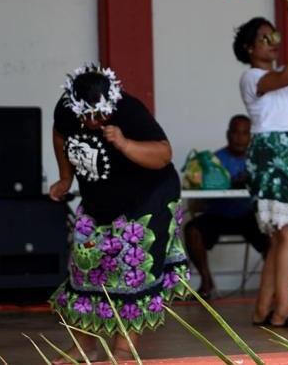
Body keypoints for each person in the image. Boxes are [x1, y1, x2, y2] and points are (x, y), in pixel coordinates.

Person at [47, 63, 189, 362]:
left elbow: (164, 154)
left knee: (130, 270)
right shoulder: (67, 111)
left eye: (102, 115)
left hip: (146, 200)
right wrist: (65, 177)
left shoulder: (129, 110)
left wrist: (124, 143)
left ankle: (124, 348)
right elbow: (60, 135)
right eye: (90, 116)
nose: (97, 122)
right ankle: (84, 345)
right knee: (83, 268)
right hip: (99, 202)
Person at [233, 3, 288, 329]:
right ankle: (282, 309)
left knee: (287, 233)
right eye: (265, 37)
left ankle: (263, 308)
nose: (273, 41)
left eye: (275, 35)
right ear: (249, 48)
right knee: (287, 232)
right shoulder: (253, 77)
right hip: (271, 152)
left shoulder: (284, 77)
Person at [183, 114, 269, 299]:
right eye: (235, 133)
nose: (239, 137)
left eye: (245, 133)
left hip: (248, 216)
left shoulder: (259, 161)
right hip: (217, 214)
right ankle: (207, 284)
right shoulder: (213, 161)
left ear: (251, 136)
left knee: (276, 235)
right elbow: (198, 193)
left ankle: (272, 288)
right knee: (191, 230)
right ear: (228, 134)